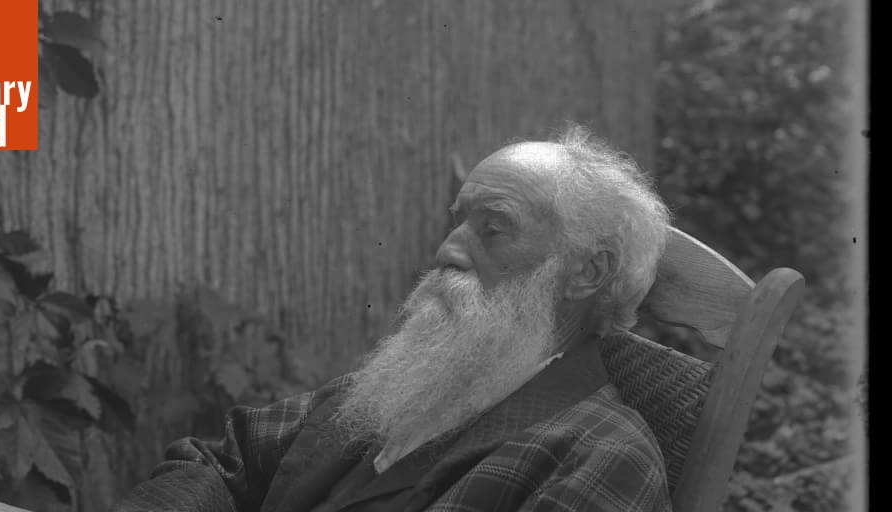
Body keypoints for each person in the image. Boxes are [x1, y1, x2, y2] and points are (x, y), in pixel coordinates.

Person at [111, 126, 674, 512]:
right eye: (457, 223)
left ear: (587, 273)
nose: (448, 251)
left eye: (493, 228)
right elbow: (223, 460)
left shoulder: (601, 457)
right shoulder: (405, 390)